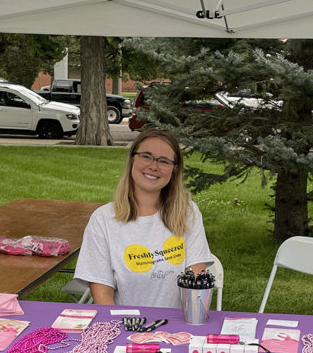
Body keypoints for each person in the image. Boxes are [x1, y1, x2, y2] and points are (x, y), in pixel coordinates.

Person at [74, 128, 213, 307]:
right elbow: (102, 293)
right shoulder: (103, 219)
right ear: (132, 159)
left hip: (178, 326)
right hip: (126, 326)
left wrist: (186, 330)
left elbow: (196, 285)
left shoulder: (188, 213)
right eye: (146, 156)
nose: (153, 166)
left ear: (175, 170)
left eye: (164, 161)